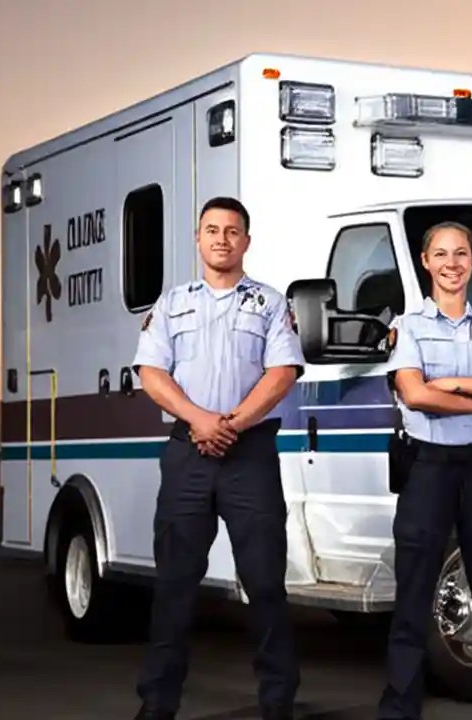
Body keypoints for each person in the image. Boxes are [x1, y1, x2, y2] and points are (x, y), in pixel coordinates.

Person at [131, 196, 306, 720]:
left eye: (233, 231)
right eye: (212, 230)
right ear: (198, 239)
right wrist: (201, 421)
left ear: (246, 242)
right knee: (174, 588)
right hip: (188, 456)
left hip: (249, 457)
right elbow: (152, 375)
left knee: (266, 585)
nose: (222, 239)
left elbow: (282, 374)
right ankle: (157, 707)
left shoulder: (271, 304)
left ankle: (277, 705)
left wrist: (231, 425)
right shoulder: (171, 303)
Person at [377, 221, 472, 720]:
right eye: (441, 254)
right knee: (413, 596)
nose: (452, 263)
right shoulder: (409, 327)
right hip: (427, 468)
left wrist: (456, 384)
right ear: (425, 262)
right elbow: (416, 394)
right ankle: (399, 710)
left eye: (461, 253)